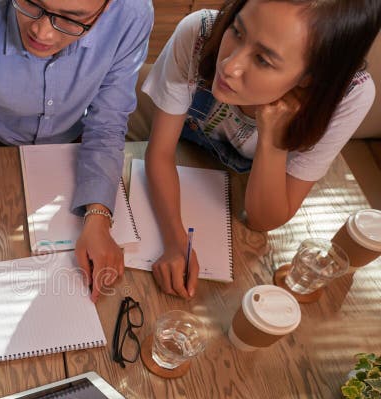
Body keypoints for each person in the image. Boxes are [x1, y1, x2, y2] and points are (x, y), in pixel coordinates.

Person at [142, 0, 380, 299]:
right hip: (184, 143)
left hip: (257, 178)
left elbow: (262, 220)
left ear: (311, 77)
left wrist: (274, 139)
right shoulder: (199, 31)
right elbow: (160, 152)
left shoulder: (350, 95)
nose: (229, 66)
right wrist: (176, 241)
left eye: (263, 60)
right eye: (237, 31)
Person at [0, 0, 153, 303]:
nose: (42, 32)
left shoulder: (132, 14)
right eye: (31, 3)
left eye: (73, 19)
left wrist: (98, 217)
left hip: (74, 143)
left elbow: (107, 125)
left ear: (107, 7)